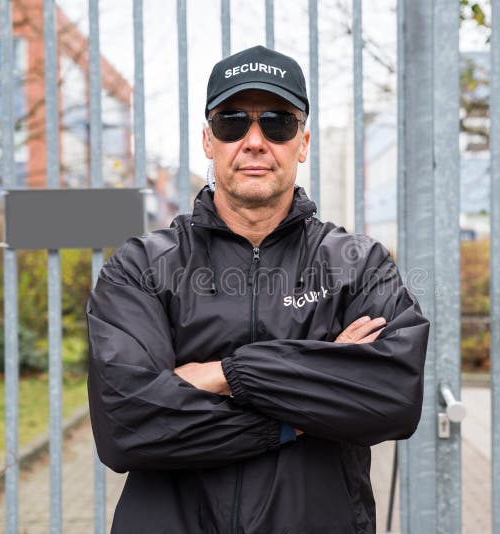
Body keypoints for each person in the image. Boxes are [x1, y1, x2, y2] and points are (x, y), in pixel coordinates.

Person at [86, 45, 430, 534]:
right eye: (232, 122)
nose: (254, 141)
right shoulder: (141, 268)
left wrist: (221, 373)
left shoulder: (358, 265)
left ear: (303, 142)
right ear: (209, 140)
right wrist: (301, 412)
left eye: (277, 122)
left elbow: (391, 396)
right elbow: (127, 424)